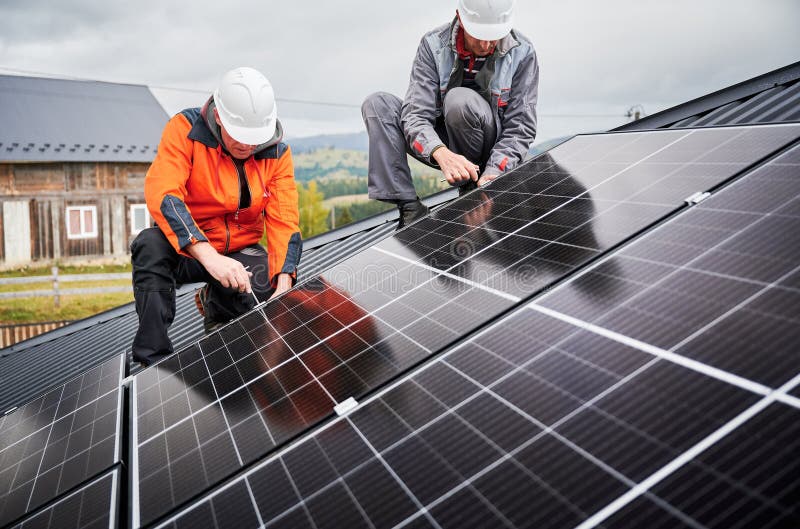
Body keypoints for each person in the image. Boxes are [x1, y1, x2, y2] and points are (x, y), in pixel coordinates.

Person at [131, 66, 301, 366]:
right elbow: (164, 193)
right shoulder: (185, 130)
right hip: (188, 249)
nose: (247, 146)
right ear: (220, 117)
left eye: (254, 139)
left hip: (238, 251)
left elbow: (284, 219)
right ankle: (153, 359)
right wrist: (209, 256)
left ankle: (217, 306)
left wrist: (284, 284)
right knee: (149, 244)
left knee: (268, 294)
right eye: (239, 137)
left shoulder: (276, 153)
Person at [362, 0, 539, 228]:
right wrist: (440, 152)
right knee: (377, 105)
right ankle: (409, 207)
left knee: (458, 100)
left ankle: (471, 186)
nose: (486, 44)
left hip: (490, 153)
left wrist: (495, 172)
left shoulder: (522, 52)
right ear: (461, 18)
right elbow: (415, 114)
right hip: (446, 147)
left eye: (493, 36)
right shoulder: (433, 45)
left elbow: (520, 128)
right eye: (479, 35)